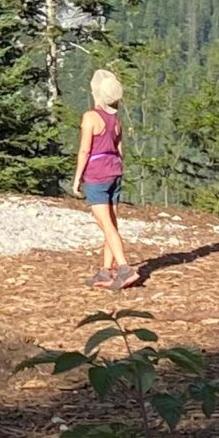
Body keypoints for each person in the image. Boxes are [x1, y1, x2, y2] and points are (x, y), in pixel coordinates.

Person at [72, 67, 136, 288]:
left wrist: (77, 178)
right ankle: (105, 271)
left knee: (106, 225)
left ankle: (124, 268)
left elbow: (84, 150)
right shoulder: (116, 120)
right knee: (112, 223)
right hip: (114, 172)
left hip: (97, 174)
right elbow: (120, 150)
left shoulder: (90, 117)